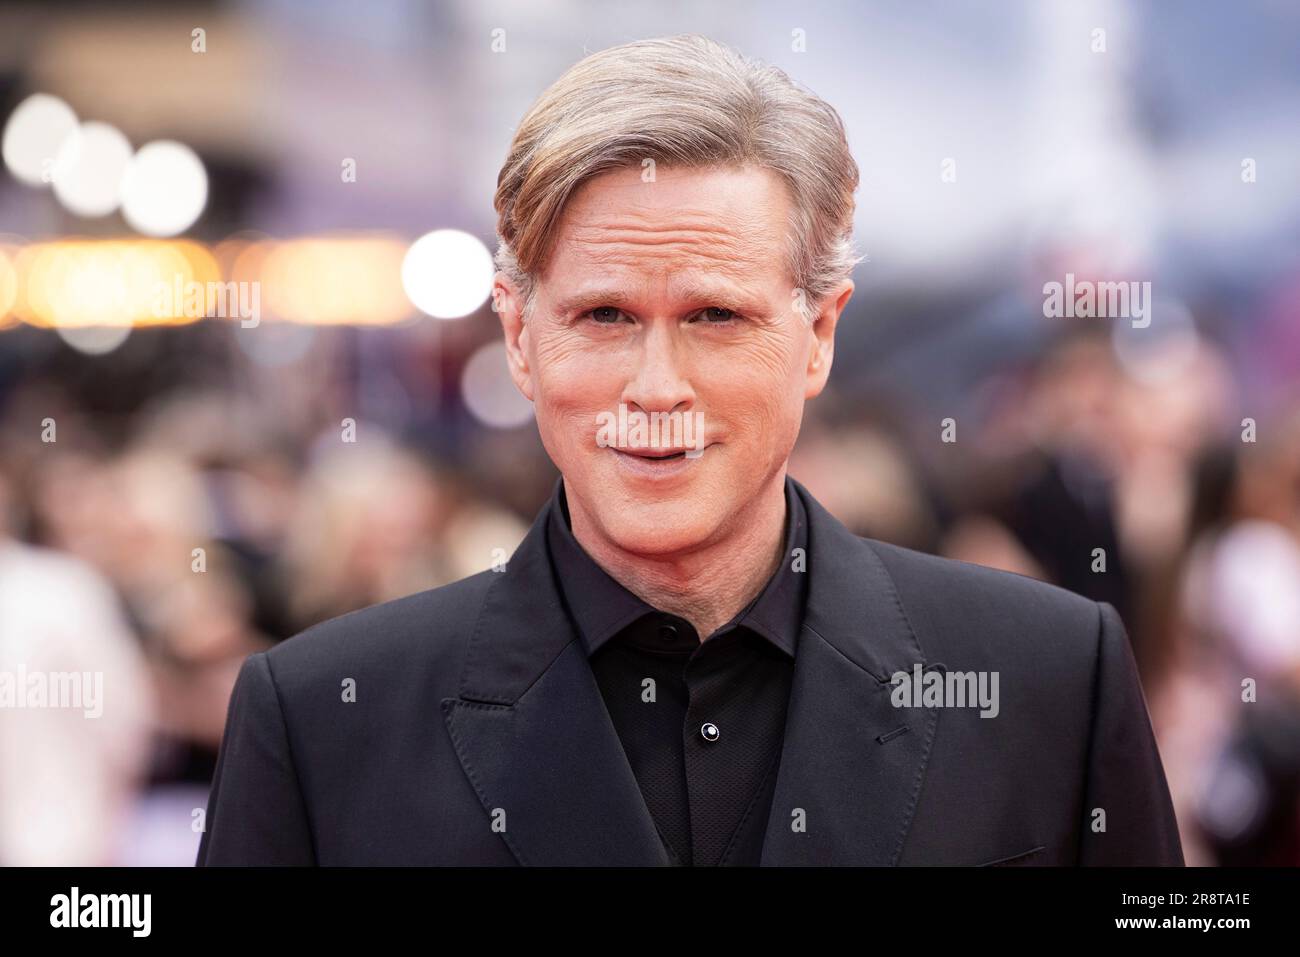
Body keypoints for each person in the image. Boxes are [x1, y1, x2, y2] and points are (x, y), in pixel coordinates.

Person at [197, 34, 1182, 866]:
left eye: (714, 315)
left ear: (820, 335)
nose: (656, 385)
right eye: (604, 315)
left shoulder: (1048, 677)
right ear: (518, 338)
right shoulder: (323, 722)